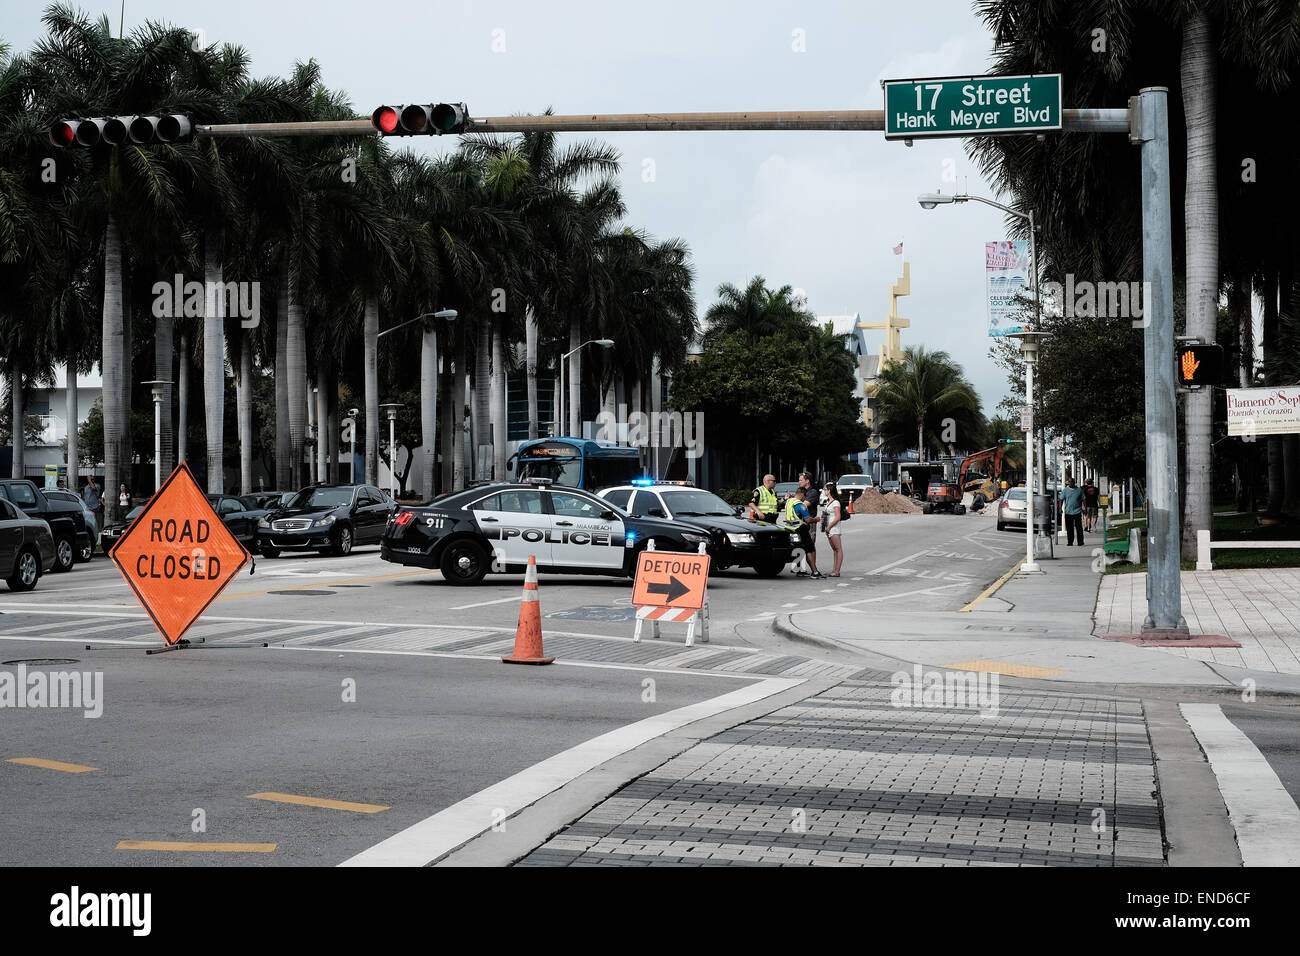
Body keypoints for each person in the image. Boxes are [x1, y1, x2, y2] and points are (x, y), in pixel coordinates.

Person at [785, 487, 822, 578]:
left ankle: (799, 570)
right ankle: (815, 572)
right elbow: (808, 519)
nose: (804, 498)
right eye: (805, 496)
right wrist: (817, 519)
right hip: (800, 529)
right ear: (801, 494)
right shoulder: (800, 505)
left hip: (790, 529)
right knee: (809, 549)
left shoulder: (789, 502)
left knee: (798, 549)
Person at [822, 481, 844, 576]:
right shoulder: (828, 502)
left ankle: (837, 571)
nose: (824, 491)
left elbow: (838, 517)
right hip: (828, 528)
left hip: (834, 528)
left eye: (825, 489)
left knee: (838, 549)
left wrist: (829, 526)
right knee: (834, 550)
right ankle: (834, 570)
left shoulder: (836, 502)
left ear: (829, 491)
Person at [1062, 477, 1085, 546]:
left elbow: (1083, 499)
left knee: (1079, 527)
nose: (1071, 483)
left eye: (1072, 482)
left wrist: (1084, 507)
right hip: (1068, 512)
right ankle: (1070, 542)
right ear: (1068, 483)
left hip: (1077, 511)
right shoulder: (1065, 490)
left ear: (1074, 482)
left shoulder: (1079, 490)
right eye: (1069, 482)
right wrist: (1060, 508)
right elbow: (1061, 499)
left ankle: (1080, 542)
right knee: (1069, 528)